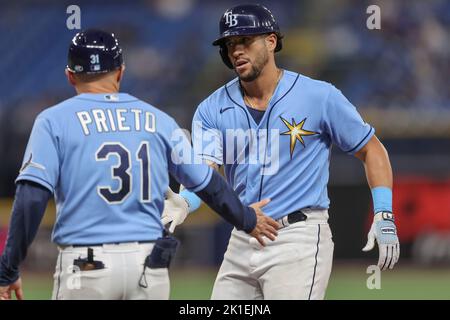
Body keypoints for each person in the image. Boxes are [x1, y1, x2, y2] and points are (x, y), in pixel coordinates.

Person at [0, 29, 279, 300]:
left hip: (86, 264)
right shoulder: (159, 120)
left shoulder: (53, 121)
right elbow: (207, 182)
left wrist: (9, 268)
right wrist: (247, 219)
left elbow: (31, 198)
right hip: (149, 267)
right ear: (121, 71)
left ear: (70, 76)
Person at [163, 4, 400, 300]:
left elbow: (372, 150)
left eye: (245, 40)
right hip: (243, 237)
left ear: (271, 41)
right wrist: (185, 201)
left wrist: (384, 212)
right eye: (230, 43)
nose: (236, 50)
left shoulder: (318, 96)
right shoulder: (211, 109)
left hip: (297, 237)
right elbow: (206, 171)